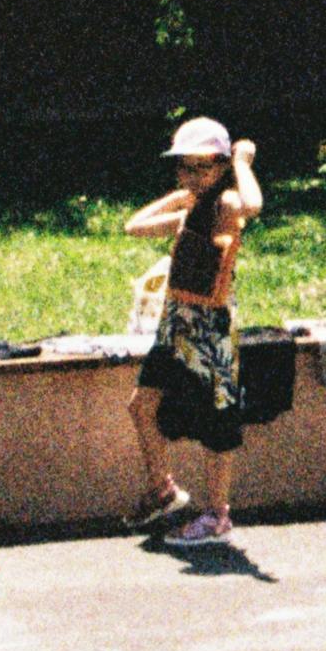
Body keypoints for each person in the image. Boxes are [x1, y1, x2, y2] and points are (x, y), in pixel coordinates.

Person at [125, 119, 266, 545]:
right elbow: (135, 225)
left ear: (221, 167)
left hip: (210, 331)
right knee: (141, 404)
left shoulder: (226, 202)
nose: (192, 175)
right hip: (175, 326)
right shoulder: (192, 206)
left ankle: (218, 515)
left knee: (217, 426)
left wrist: (242, 162)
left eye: (202, 167)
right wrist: (184, 194)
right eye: (184, 167)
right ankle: (163, 489)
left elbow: (254, 204)